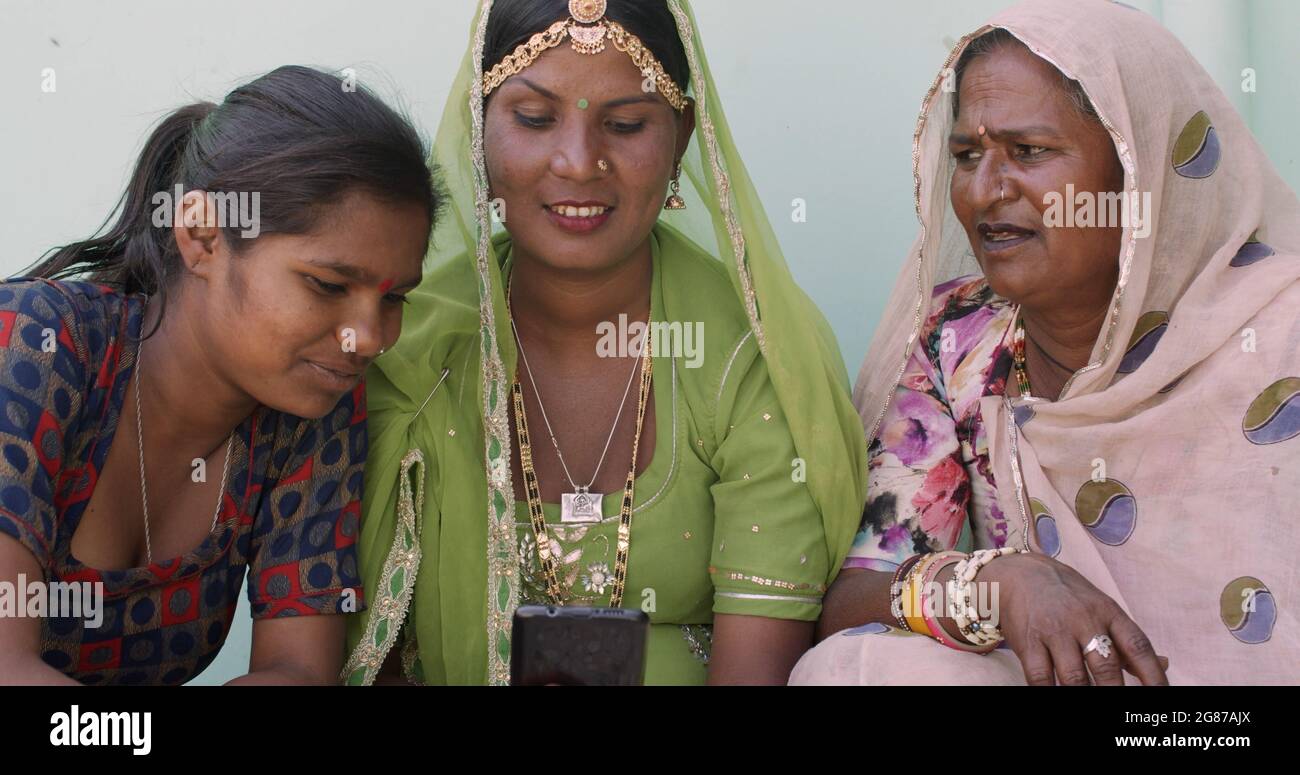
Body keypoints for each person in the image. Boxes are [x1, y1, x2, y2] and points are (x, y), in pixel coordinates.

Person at [343, 0, 866, 686]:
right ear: (479, 125)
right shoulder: (409, 349)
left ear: (681, 135)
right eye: (534, 118)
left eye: (624, 125)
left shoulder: (754, 355)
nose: (579, 162)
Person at [796, 0, 1299, 685]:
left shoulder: (1278, 328)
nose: (983, 191)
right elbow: (855, 598)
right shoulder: (960, 338)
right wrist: (999, 583)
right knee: (854, 667)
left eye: (1028, 152)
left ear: (1135, 171)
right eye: (967, 155)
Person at [0, 66, 440, 685]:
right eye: (328, 285)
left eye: (394, 299)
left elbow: (296, 672)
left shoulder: (311, 413)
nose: (367, 338)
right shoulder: (34, 344)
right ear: (202, 236)